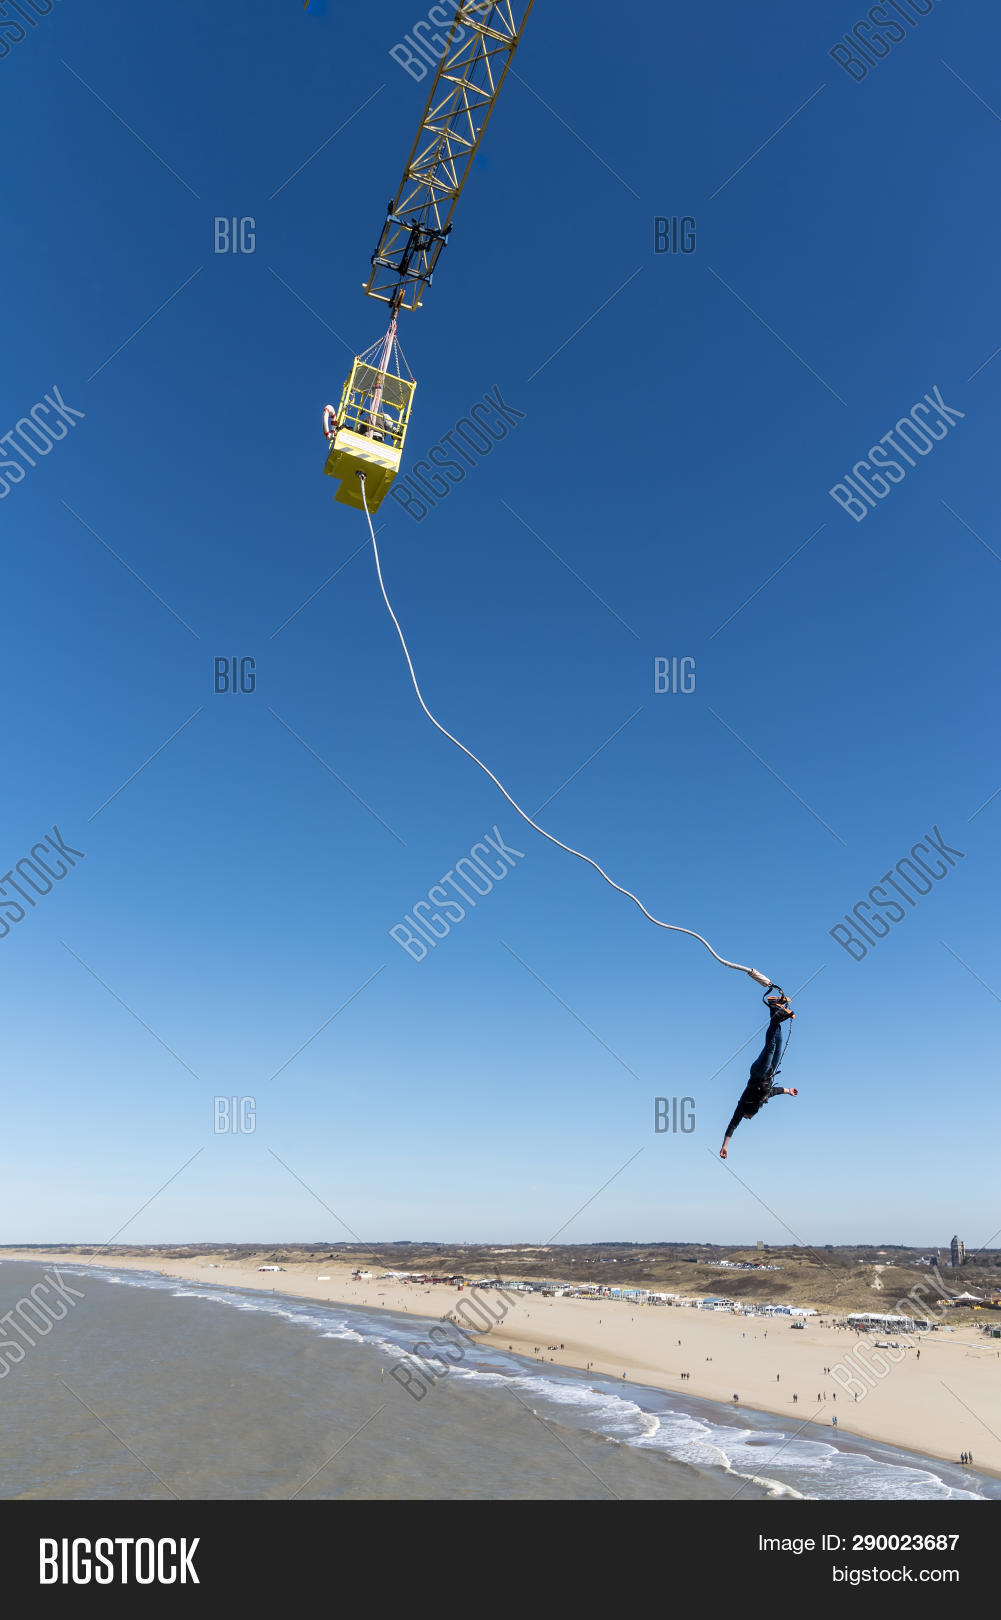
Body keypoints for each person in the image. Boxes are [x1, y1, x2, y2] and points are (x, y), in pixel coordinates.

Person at [720, 993, 798, 1159]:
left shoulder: (744, 1104)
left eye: (747, 1118)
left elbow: (732, 1125)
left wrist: (724, 1146)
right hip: (769, 1072)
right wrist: (789, 1090)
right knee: (779, 1044)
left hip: (757, 1072)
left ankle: (775, 1009)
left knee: (770, 1047)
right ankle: (774, 1006)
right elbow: (775, 1091)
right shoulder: (762, 1099)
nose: (749, 1119)